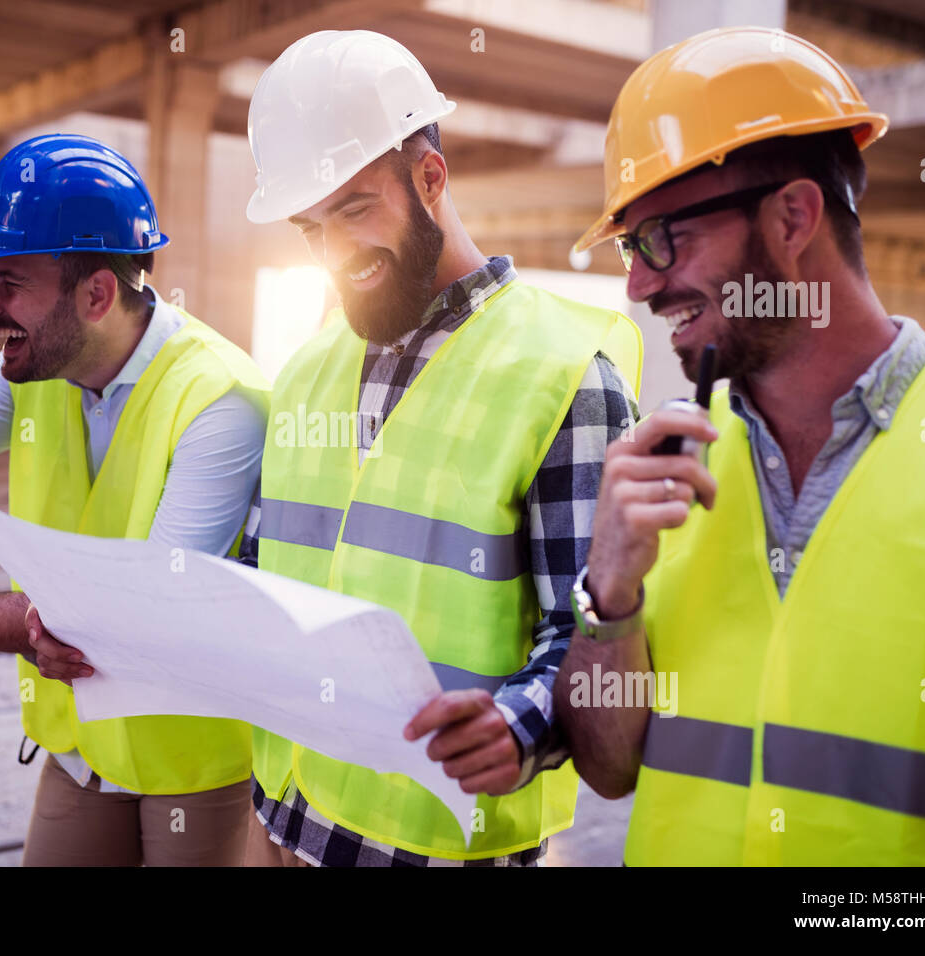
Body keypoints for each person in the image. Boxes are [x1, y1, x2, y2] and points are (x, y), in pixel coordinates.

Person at [557, 26, 925, 865]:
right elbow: (608, 767)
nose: (639, 284)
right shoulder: (666, 469)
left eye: (658, 240)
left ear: (792, 216)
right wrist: (610, 592)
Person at [239, 30, 643, 865]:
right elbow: (260, 572)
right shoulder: (310, 367)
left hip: (434, 845)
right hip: (285, 814)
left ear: (430, 179)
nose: (336, 251)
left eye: (354, 209)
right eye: (310, 226)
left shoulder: (567, 376)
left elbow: (587, 623)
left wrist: (516, 727)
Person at [0, 134, 269, 866]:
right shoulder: (37, 372)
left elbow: (144, 610)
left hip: (193, 757)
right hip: (83, 743)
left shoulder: (220, 399)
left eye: (9, 282)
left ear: (97, 293)